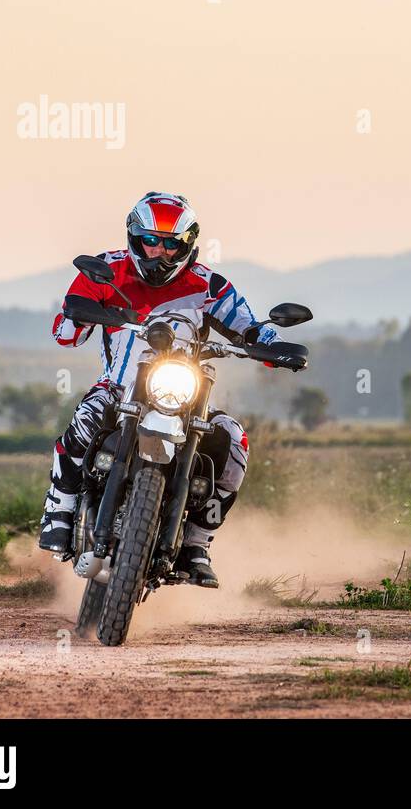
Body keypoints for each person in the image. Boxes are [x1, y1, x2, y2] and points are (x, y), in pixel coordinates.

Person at [36, 191, 279, 587]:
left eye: (171, 244)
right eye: (150, 240)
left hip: (184, 396)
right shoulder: (107, 270)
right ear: (134, 237)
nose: (159, 252)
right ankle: (58, 511)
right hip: (119, 386)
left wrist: (270, 343)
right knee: (85, 419)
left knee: (234, 441)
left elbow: (248, 323)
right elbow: (65, 333)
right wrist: (80, 312)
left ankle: (197, 544)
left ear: (187, 245)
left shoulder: (208, 285)